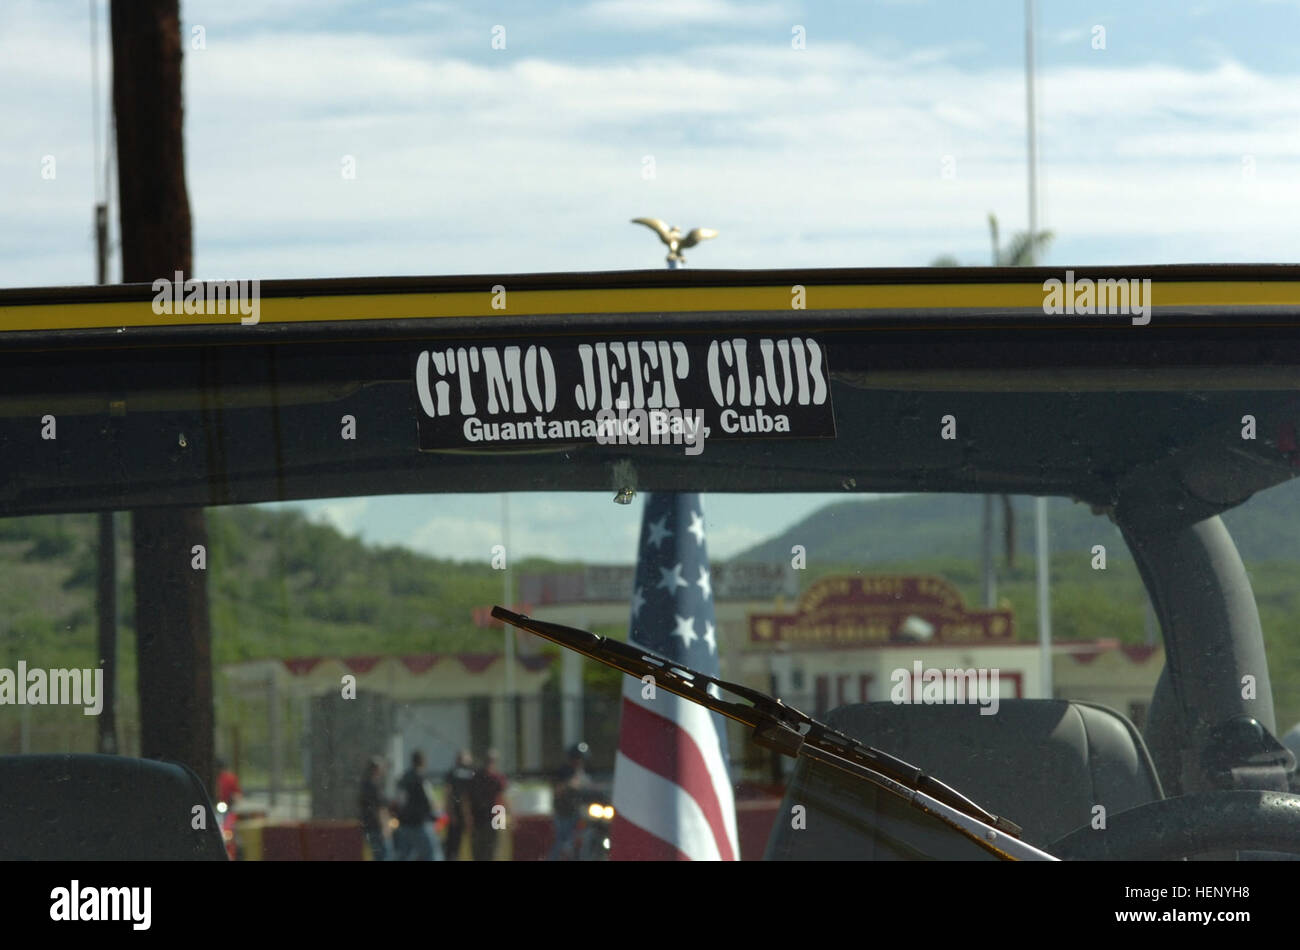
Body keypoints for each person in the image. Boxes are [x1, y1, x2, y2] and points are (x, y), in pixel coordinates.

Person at [393, 750, 444, 861]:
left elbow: (399, 801)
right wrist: (437, 815)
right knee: (433, 855)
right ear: (423, 761)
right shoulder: (421, 778)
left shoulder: (404, 778)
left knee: (404, 856)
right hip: (421, 823)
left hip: (405, 824)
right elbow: (430, 800)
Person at [548, 742, 590, 860]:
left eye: (581, 759)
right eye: (577, 758)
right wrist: (569, 784)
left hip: (580, 813)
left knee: (580, 842)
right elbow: (557, 791)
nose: (579, 761)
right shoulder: (563, 772)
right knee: (563, 842)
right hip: (564, 814)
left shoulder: (582, 773)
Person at [468, 749, 508, 861]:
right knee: (491, 852)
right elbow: (501, 800)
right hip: (492, 819)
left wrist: (468, 817)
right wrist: (502, 821)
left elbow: (467, 799)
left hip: (478, 819)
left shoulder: (475, 777)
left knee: (478, 854)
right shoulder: (497, 778)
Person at [443, 749, 475, 861]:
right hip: (464, 814)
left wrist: (450, 813)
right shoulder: (470, 773)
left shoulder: (453, 773)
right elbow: (460, 796)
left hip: (457, 814)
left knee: (453, 847)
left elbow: (448, 794)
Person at [360, 756, 390, 861]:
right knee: (384, 855)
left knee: (377, 854)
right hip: (377, 827)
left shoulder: (364, 785)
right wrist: (384, 827)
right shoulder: (374, 786)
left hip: (368, 825)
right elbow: (380, 808)